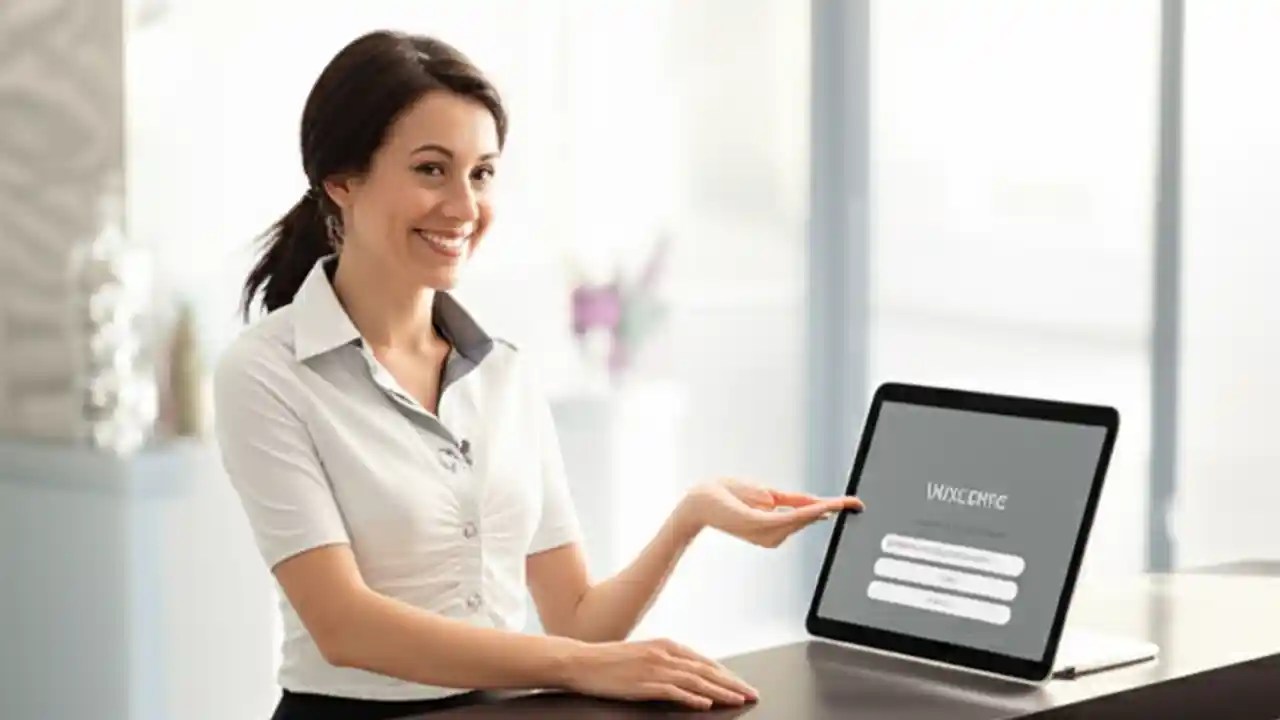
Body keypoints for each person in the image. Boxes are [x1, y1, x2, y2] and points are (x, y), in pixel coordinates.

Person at [213, 29, 864, 720]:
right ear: (342, 179)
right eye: (432, 169)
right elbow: (344, 626)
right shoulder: (266, 374)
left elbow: (578, 620)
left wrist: (692, 514)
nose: (464, 207)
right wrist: (586, 668)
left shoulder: (505, 375)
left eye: (482, 173)